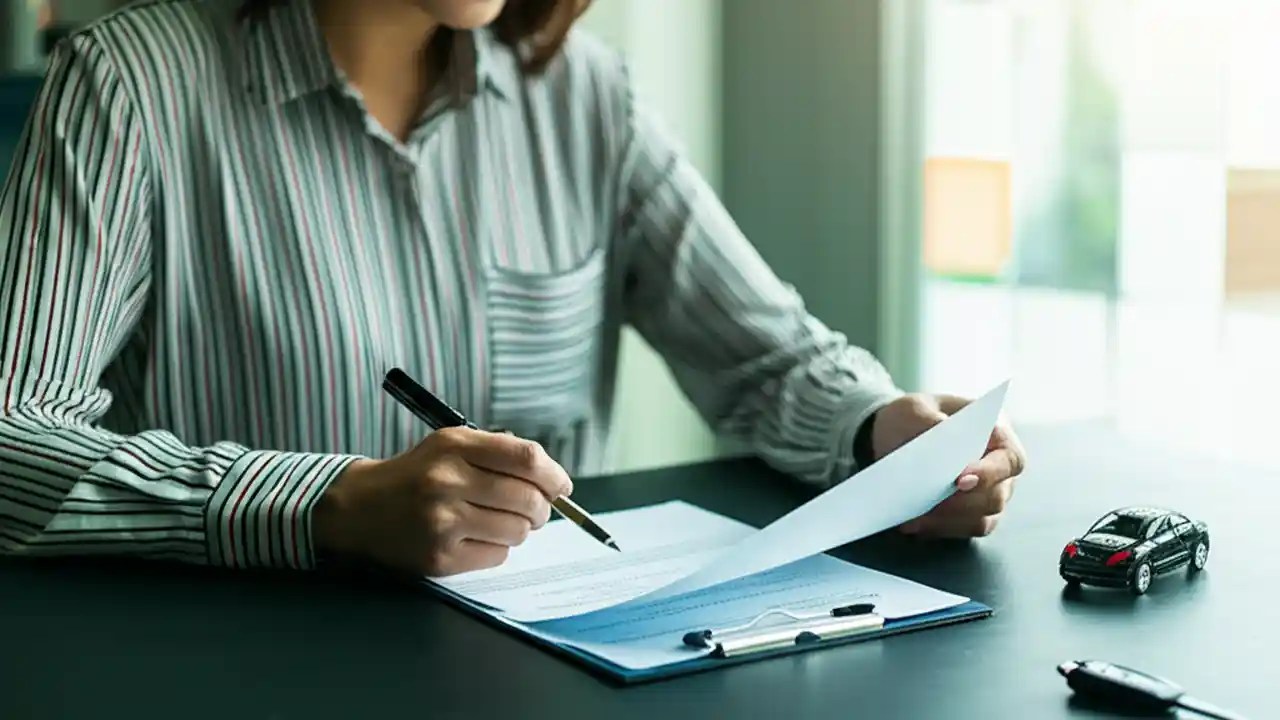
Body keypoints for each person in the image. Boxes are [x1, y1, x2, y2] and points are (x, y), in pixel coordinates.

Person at [0, 0, 1026, 578]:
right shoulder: (128, 83)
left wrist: (881, 432)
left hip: (552, 671)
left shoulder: (583, 95)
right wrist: (332, 504)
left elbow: (767, 355)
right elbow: (12, 436)